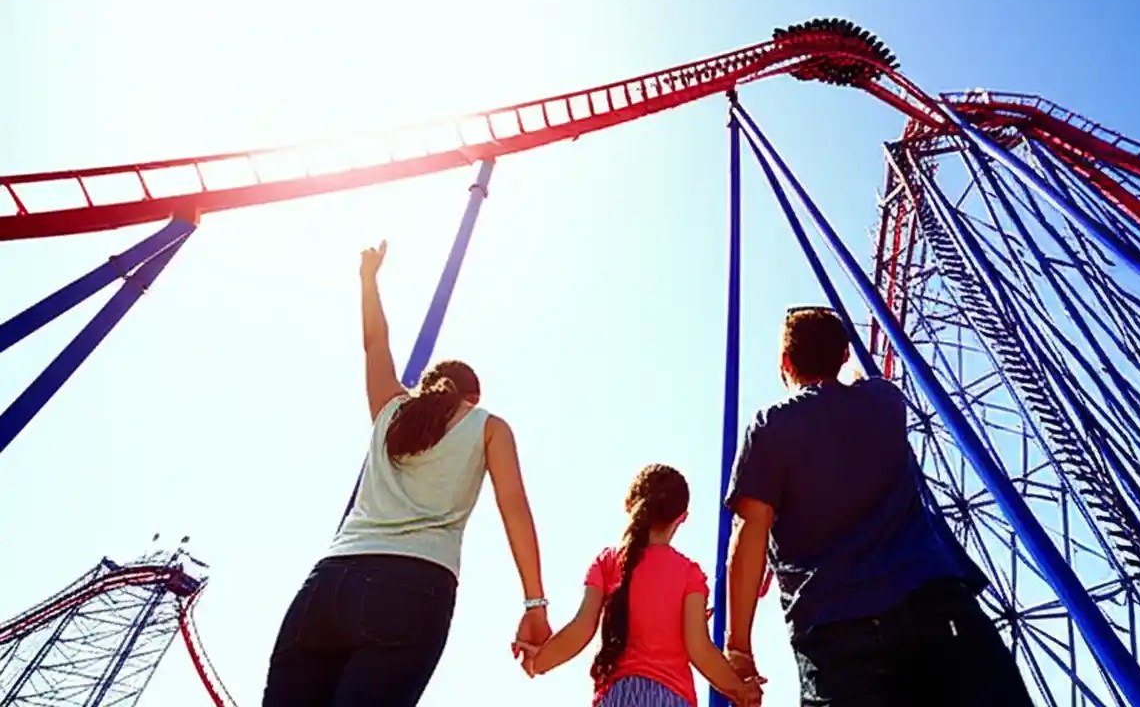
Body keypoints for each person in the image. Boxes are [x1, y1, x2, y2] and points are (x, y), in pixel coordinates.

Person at [262, 240, 551, 706]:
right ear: (471, 398)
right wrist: (534, 604)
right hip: (413, 588)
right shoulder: (488, 427)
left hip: (328, 584)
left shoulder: (391, 410)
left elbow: (375, 341)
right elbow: (513, 509)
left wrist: (368, 278)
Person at [722, 306, 1034, 706]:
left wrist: (739, 646)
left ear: (785, 362)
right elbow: (857, 381)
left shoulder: (770, 426)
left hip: (838, 630)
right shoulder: (885, 401)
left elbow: (749, 534)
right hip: (938, 605)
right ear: (845, 354)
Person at [515, 464, 764, 707]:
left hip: (615, 697)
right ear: (682, 518)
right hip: (671, 697)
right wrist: (739, 689)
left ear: (629, 506)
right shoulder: (689, 574)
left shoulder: (608, 563)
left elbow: (580, 630)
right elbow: (699, 648)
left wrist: (540, 660)